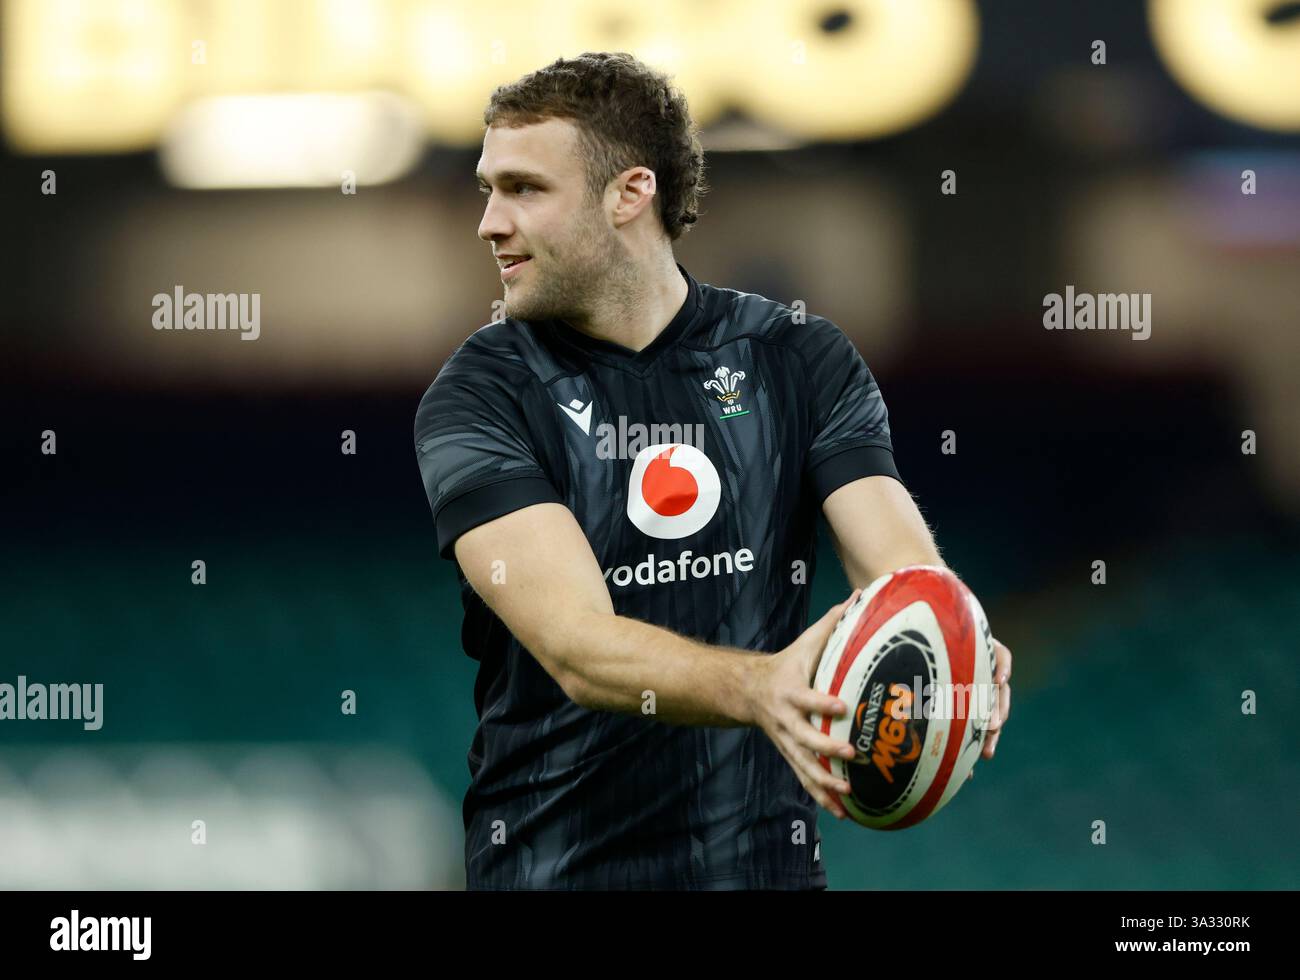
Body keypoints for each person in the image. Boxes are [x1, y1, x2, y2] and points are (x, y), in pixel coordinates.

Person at [414, 51, 1012, 890]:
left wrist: (952, 630)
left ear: (630, 193)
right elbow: (578, 649)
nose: (490, 220)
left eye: (524, 188)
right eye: (488, 187)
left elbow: (899, 568)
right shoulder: (481, 396)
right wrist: (760, 685)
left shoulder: (799, 358)